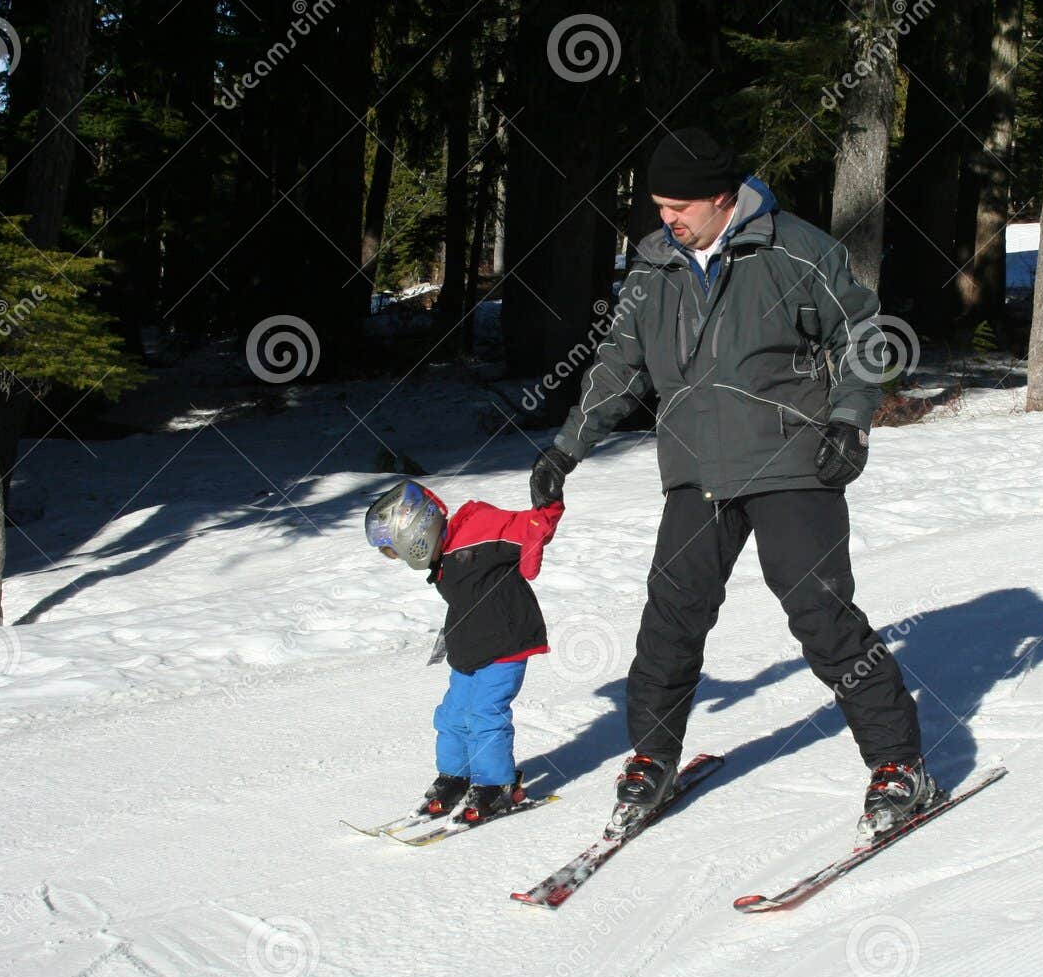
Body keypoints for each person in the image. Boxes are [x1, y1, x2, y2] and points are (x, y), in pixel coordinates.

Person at [529, 128, 938, 842]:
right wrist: (566, 449)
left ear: (724, 197)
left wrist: (849, 419)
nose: (667, 219)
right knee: (671, 618)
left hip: (792, 463)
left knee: (820, 614)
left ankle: (899, 763)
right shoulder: (653, 267)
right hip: (696, 469)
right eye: (659, 205)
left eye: (679, 205)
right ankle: (652, 756)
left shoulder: (797, 250)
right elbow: (619, 366)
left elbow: (863, 333)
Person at [364, 479, 563, 822]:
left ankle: (495, 785)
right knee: (452, 715)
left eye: (394, 549)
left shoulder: (479, 525)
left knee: (484, 714)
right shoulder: (443, 553)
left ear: (414, 532)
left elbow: (533, 525)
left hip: (505, 642)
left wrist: (548, 500)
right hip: (469, 647)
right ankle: (455, 776)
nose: (398, 558)